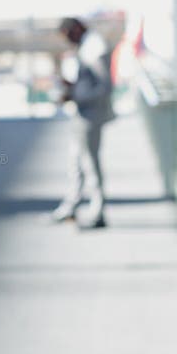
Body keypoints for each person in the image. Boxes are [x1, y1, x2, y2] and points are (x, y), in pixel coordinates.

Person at [51, 17, 114, 229]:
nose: (68, 41)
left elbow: (104, 85)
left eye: (68, 36)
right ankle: (72, 205)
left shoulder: (94, 46)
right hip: (81, 112)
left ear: (76, 29)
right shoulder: (84, 46)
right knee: (75, 162)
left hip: (91, 114)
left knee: (90, 164)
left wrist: (76, 95)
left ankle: (98, 212)